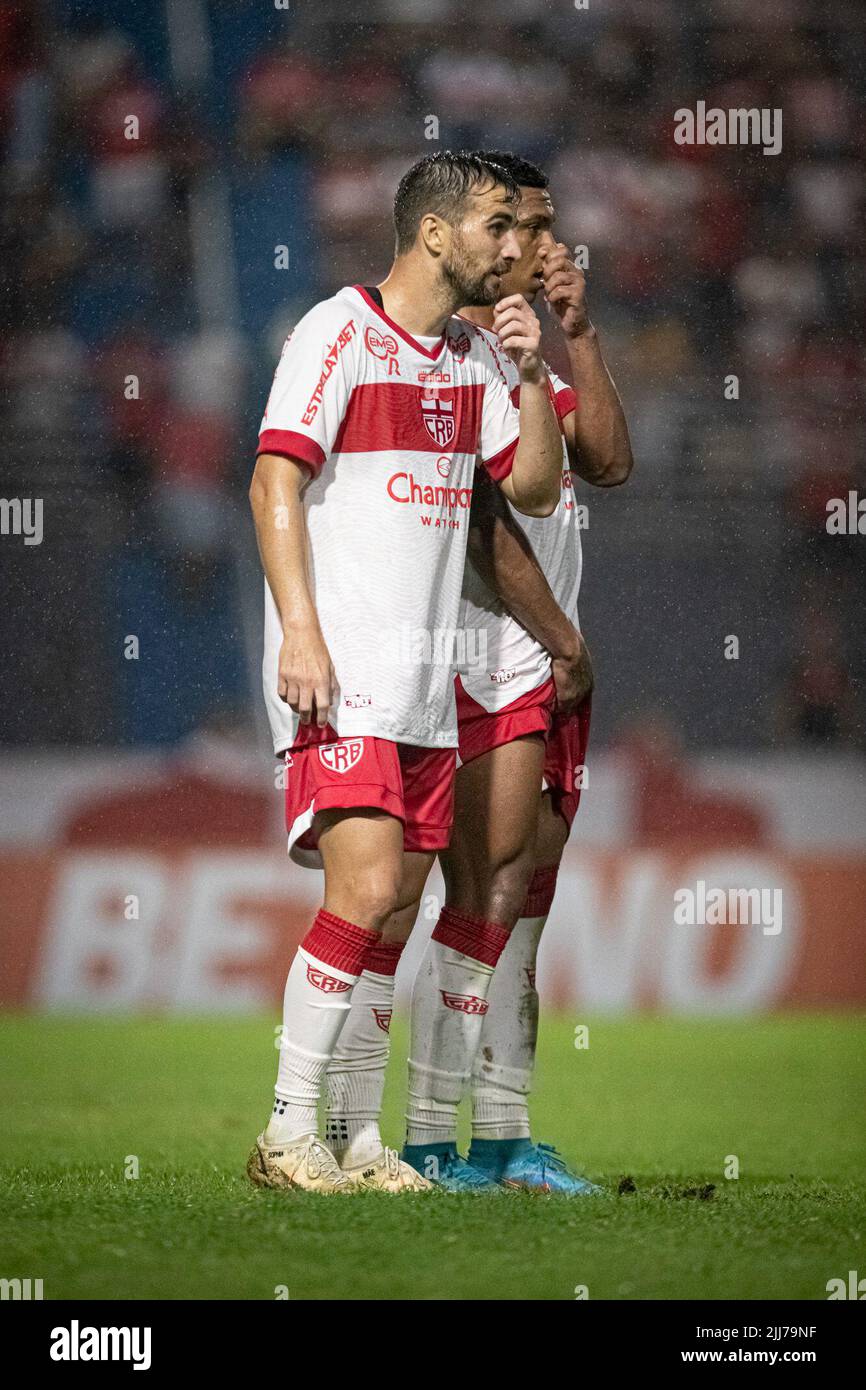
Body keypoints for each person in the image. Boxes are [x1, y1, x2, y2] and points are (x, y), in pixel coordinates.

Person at [246, 151, 564, 1193]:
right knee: (369, 884)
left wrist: (526, 372)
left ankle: (359, 1138)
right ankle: (287, 1132)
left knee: (394, 913)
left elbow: (530, 485)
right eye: (494, 229)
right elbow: (270, 480)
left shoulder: (472, 359)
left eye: (523, 232)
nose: (512, 250)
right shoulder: (335, 331)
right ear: (434, 234)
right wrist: (299, 629)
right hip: (338, 669)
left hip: (430, 686)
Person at [324, 150, 633, 1192]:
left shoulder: (518, 341)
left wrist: (575, 338)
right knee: (436, 895)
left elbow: (607, 464)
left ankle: (497, 1136)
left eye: (542, 225)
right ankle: (395, 1135)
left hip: (539, 654)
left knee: (517, 901)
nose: (534, 245)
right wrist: (561, 640)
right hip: (475, 652)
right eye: (517, 223)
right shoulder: (450, 348)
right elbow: (482, 527)